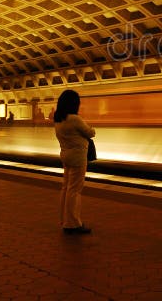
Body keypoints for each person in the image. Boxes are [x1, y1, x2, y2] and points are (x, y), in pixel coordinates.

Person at [53, 90, 95, 235]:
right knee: (74, 190)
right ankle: (73, 223)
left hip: (65, 156)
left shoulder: (58, 119)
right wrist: (91, 129)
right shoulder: (74, 119)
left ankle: (64, 220)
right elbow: (90, 132)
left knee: (66, 188)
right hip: (77, 157)